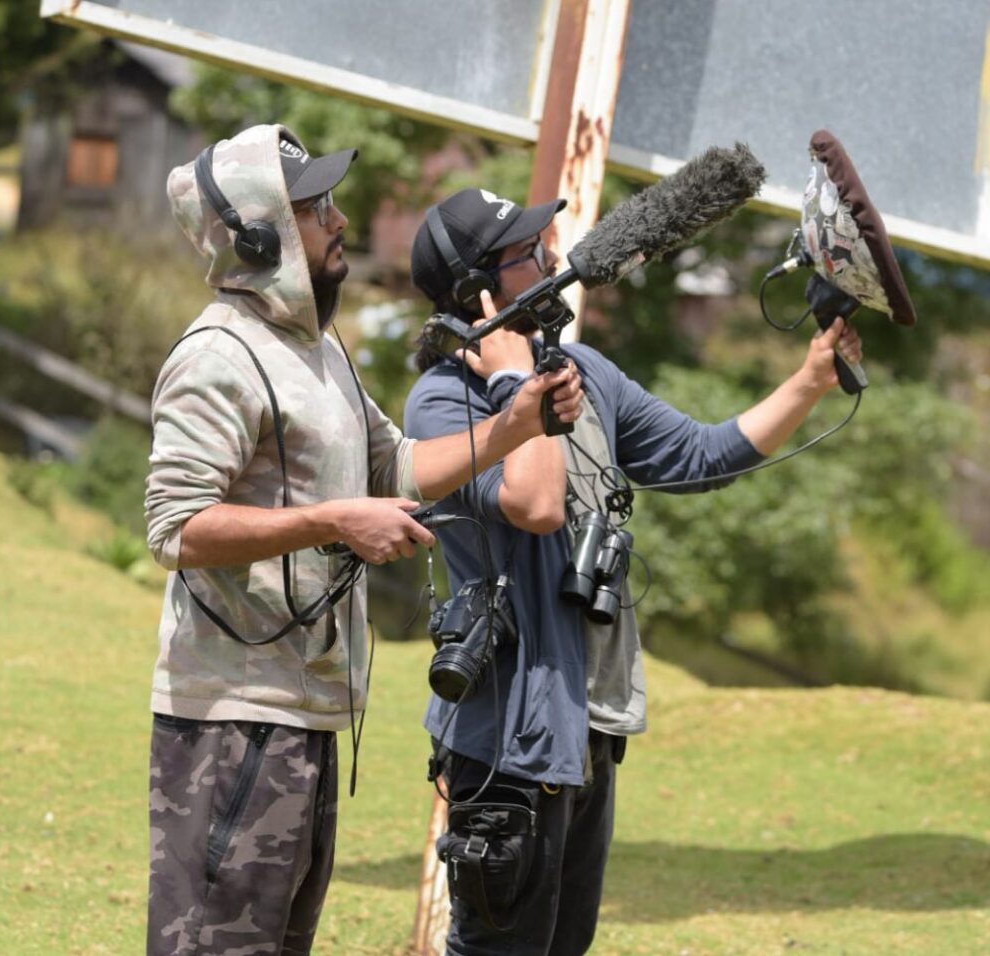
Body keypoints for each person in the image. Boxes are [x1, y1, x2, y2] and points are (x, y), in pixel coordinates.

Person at [143, 127, 582, 956]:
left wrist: (515, 424)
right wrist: (337, 520)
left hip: (305, 710)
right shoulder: (217, 357)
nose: (340, 220)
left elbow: (399, 466)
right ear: (258, 234)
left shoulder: (320, 350)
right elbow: (174, 526)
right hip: (231, 719)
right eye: (315, 208)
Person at [404, 187, 864, 956]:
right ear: (477, 290)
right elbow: (538, 505)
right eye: (526, 254)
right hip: (508, 744)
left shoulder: (584, 369)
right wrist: (519, 387)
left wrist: (812, 378)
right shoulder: (444, 402)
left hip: (588, 730)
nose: (551, 260)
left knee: (564, 946)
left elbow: (701, 456)